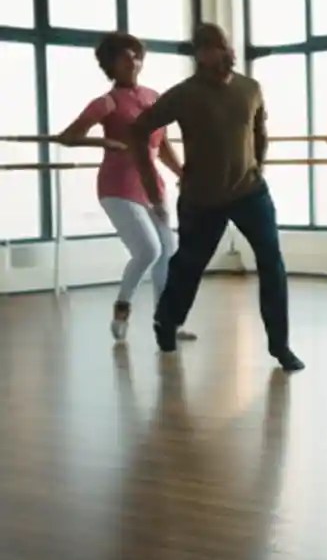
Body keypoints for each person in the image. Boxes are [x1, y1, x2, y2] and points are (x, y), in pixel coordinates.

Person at [131, 23, 304, 372]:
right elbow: (139, 130)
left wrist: (257, 167)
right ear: (198, 54)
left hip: (250, 193)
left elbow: (259, 133)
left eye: (221, 46)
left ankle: (280, 345)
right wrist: (152, 181)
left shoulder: (250, 88)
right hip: (202, 198)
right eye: (209, 48)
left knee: (272, 263)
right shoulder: (184, 94)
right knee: (189, 264)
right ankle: (167, 320)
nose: (218, 53)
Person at [53, 32, 195, 343]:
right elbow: (69, 136)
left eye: (136, 56)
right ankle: (122, 306)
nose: (133, 62)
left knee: (167, 251)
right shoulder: (107, 102)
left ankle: (166, 321)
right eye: (124, 57)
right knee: (148, 250)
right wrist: (105, 142)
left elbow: (162, 145)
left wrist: (182, 173)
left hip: (151, 186)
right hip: (117, 187)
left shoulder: (154, 97)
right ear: (111, 64)